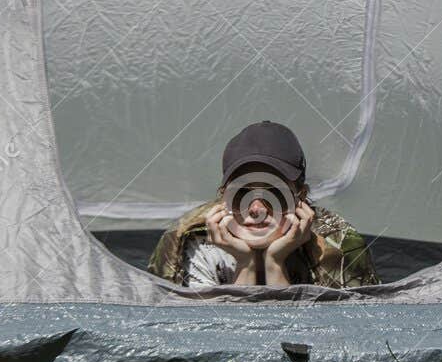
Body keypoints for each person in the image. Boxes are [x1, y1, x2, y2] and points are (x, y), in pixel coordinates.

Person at [149, 121, 377, 289]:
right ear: (223, 197)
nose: (256, 208)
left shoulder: (336, 243)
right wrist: (245, 264)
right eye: (242, 194)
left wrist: (274, 265)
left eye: (274, 193)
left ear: (301, 196)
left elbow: (322, 341)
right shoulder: (194, 241)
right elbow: (215, 339)